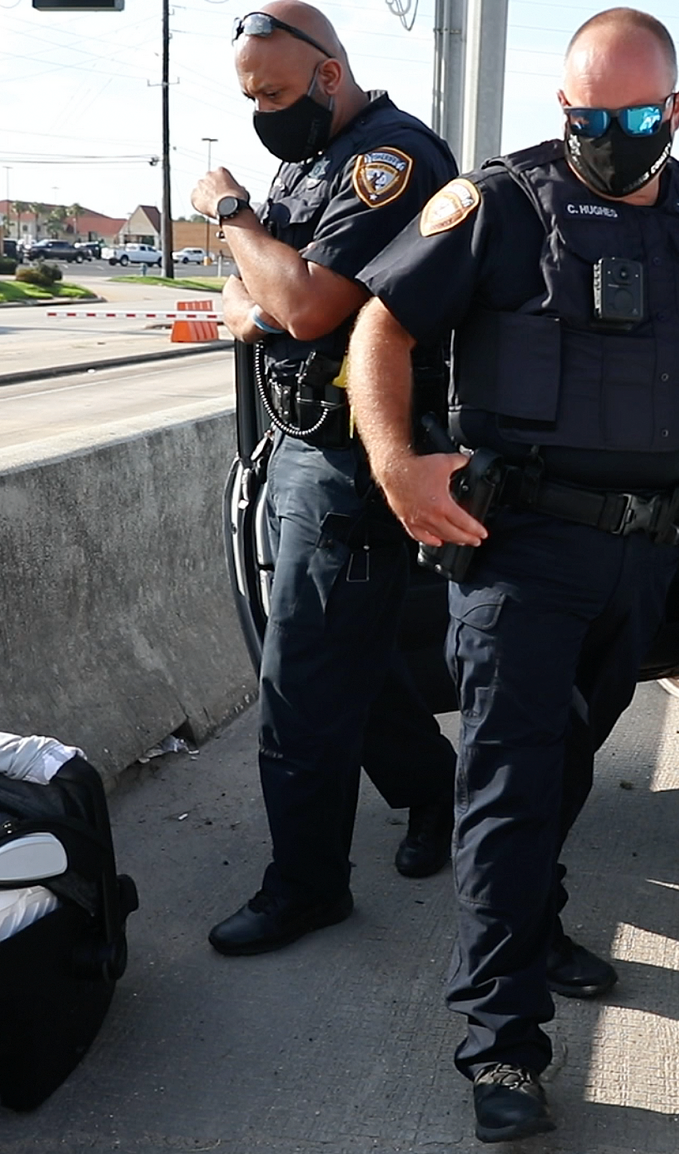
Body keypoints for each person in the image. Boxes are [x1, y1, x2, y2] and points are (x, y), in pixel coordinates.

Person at [346, 8, 679, 1141]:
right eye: (583, 116)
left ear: (671, 110)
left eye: (627, 116)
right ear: (560, 109)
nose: (604, 136)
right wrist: (393, 459)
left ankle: (533, 920)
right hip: (517, 551)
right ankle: (503, 1043)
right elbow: (378, 328)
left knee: (567, 757)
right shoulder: (499, 206)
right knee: (511, 786)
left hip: (640, 557)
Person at [192, 1, 459, 958]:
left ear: (330, 75)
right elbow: (251, 293)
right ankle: (436, 796)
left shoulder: (388, 161)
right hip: (303, 442)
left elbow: (300, 302)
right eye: (248, 95)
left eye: (271, 90)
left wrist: (231, 216)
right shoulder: (310, 159)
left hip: (358, 452)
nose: (261, 109)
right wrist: (260, 273)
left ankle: (305, 887)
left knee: (300, 674)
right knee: (358, 653)